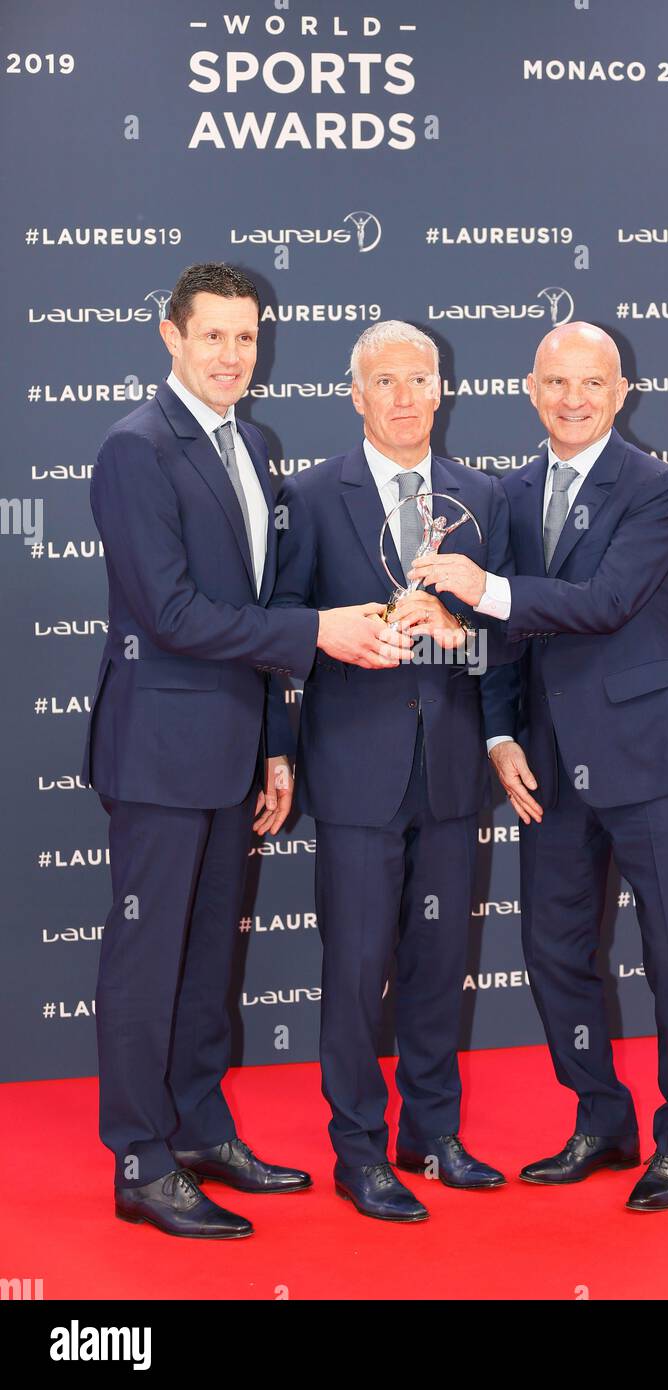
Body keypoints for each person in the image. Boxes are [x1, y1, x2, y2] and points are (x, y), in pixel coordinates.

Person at [82, 263, 407, 1240]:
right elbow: (173, 613)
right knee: (148, 959)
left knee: (203, 956)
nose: (231, 354)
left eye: (245, 337)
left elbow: (255, 607)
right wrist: (318, 634)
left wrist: (274, 743)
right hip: (159, 749)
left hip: (231, 750)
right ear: (170, 337)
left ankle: (197, 1127)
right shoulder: (134, 448)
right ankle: (139, 1157)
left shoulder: (252, 442)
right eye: (213, 335)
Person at [410, 322, 668, 1213]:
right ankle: (601, 1117)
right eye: (557, 383)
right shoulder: (510, 495)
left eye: (592, 384)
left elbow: (608, 601)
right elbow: (506, 639)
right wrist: (500, 734)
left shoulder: (658, 487)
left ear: (621, 394)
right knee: (553, 950)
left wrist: (482, 590)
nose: (574, 399)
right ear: (531, 391)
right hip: (545, 759)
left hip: (648, 756)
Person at [269, 320, 513, 1221]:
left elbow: (511, 640)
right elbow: (283, 631)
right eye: (386, 382)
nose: (405, 396)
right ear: (356, 394)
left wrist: (468, 639)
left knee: (440, 962)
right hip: (356, 771)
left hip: (451, 773)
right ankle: (359, 1151)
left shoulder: (483, 496)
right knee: (357, 965)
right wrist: (289, 729)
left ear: (443, 389)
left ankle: (433, 1135)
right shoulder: (311, 495)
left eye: (421, 378)